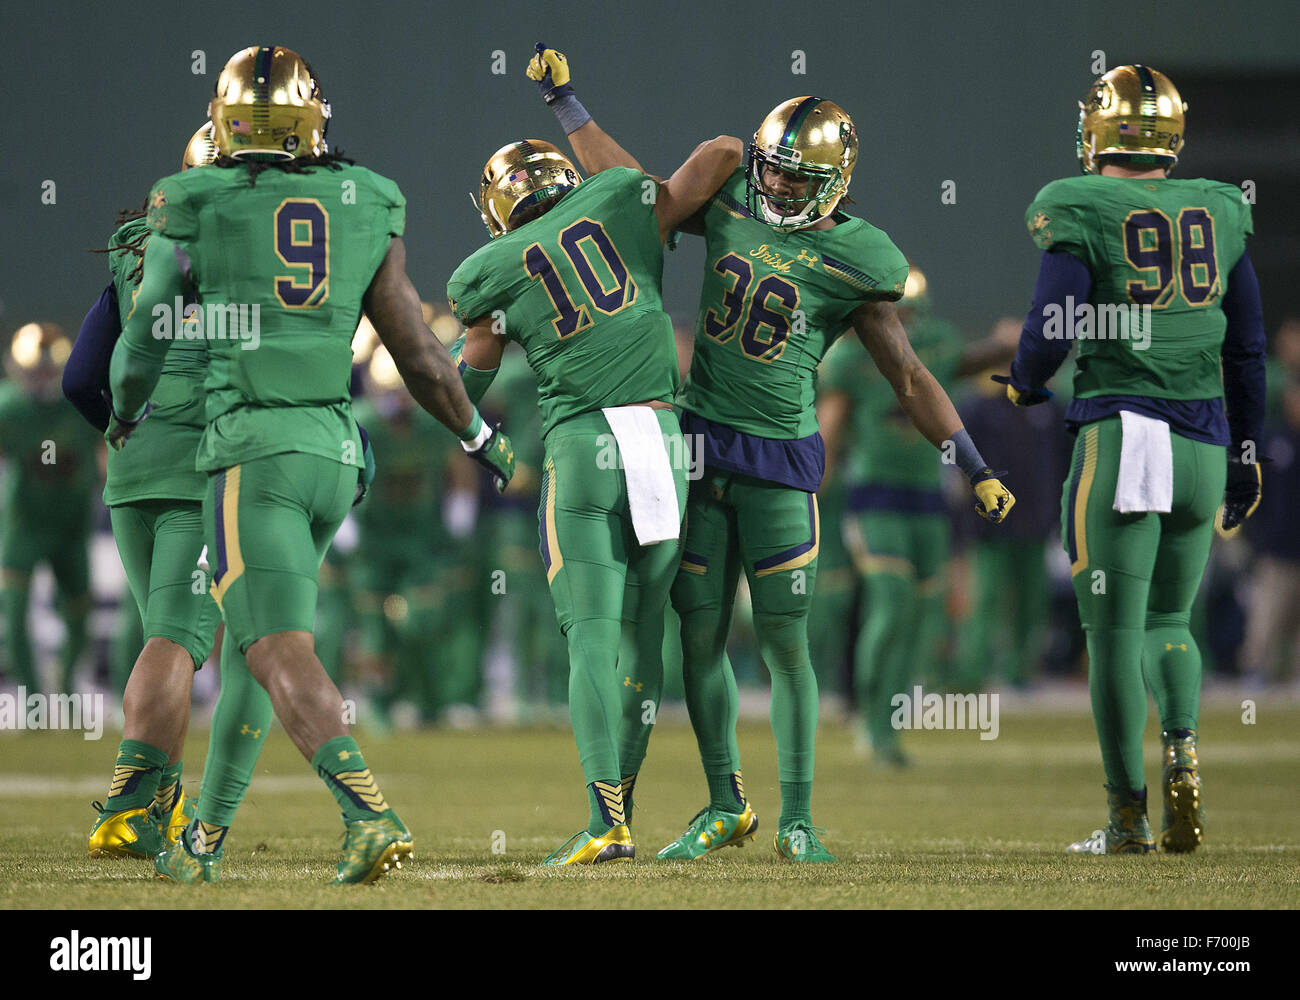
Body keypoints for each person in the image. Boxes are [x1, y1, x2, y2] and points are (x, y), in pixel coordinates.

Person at [527, 45, 1014, 862]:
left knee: (790, 648)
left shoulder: (860, 257)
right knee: (696, 642)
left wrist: (974, 462)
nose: (780, 185)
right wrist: (568, 106)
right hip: (700, 447)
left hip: (782, 463)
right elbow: (629, 196)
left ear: (837, 179)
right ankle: (726, 802)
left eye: (797, 175)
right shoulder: (724, 190)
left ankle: (798, 820)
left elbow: (908, 373)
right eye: (773, 170)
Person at [108, 45, 511, 883]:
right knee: (272, 645)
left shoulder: (192, 198)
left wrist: (123, 409)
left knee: (274, 646)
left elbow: (145, 336)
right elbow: (416, 349)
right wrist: (480, 437)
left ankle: (368, 812)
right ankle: (202, 842)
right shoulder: (364, 197)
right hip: (336, 451)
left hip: (255, 453)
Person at [447, 124, 742, 863]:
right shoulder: (617, 199)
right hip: (665, 441)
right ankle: (629, 808)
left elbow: (458, 383)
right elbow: (724, 152)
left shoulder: (491, 267)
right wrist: (579, 117)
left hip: (585, 448)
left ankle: (607, 820)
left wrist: (476, 439)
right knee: (647, 637)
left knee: (589, 641)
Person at [1001, 65, 1266, 853]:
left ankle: (1127, 817)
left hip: (1125, 437)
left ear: (1098, 132)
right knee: (1170, 621)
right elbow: (1247, 348)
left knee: (1111, 635)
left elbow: (1053, 322)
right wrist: (1247, 456)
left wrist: (1023, 382)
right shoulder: (1218, 208)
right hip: (1206, 442)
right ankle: (1183, 747)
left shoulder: (1077, 202)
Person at [65, 123, 235, 860]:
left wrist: (125, 429)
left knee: (163, 637)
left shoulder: (139, 243)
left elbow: (80, 375)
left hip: (132, 471)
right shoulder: (254, 238)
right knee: (179, 639)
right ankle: (130, 802)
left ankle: (160, 798)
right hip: (208, 463)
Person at [818, 273, 1014, 765]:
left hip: (926, 497)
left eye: (908, 315)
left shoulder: (935, 348)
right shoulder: (849, 359)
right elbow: (830, 431)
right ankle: (869, 716)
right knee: (891, 602)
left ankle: (890, 723)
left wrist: (1022, 340)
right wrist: (807, 494)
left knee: (920, 617)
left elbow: (971, 361)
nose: (902, 325)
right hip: (875, 496)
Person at [0, 323, 98, 697]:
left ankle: (69, 692)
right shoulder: (8, 407)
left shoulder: (84, 405)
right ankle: (31, 702)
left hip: (72, 524)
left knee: (79, 616)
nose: (40, 376)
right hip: (23, 523)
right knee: (14, 611)